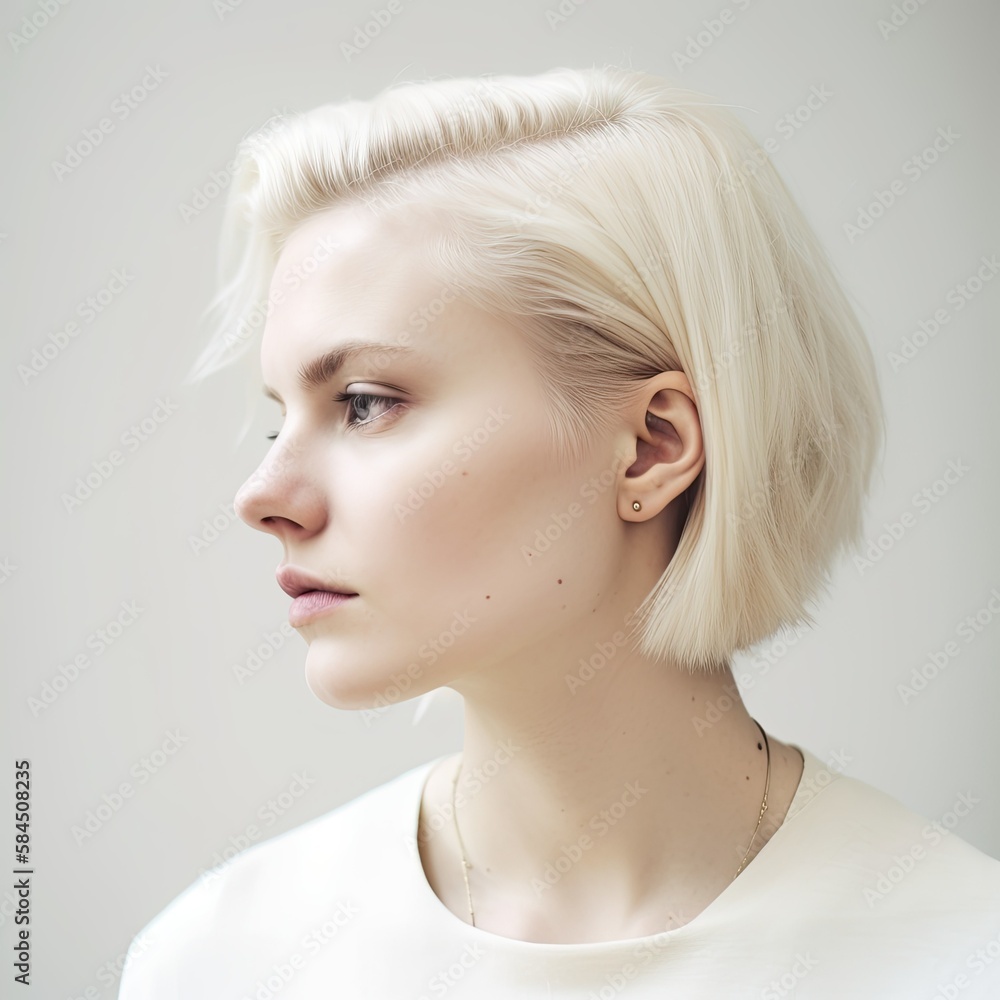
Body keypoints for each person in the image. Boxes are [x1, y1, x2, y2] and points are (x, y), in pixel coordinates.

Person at [118, 65, 1000, 998]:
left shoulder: (961, 957)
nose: (262, 495)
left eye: (365, 403)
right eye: (277, 419)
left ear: (652, 447)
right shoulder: (222, 961)